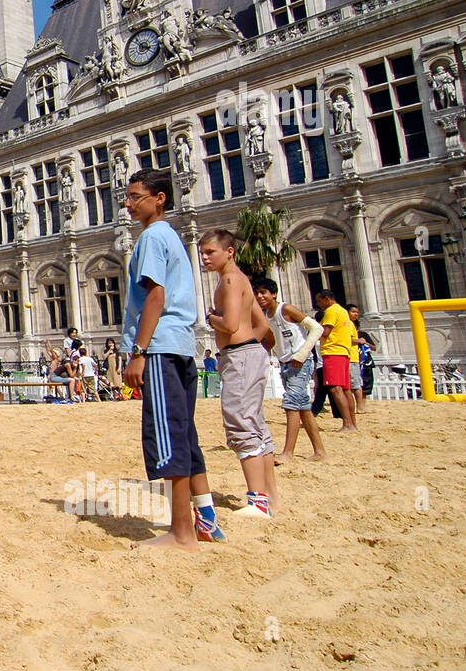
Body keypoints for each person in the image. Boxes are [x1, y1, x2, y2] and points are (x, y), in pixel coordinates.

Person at [121, 169, 224, 548]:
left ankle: (181, 532)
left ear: (159, 198)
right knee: (184, 432)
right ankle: (206, 519)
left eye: (135, 197)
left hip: (160, 346)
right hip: (181, 345)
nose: (128, 204)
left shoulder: (150, 236)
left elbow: (155, 296)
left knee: (166, 437)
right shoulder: (173, 237)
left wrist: (139, 351)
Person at [200, 230, 278, 518]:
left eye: (211, 252)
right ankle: (270, 496)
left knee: (240, 423)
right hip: (250, 353)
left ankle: (257, 500)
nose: (205, 258)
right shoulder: (242, 279)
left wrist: (211, 318)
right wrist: (252, 347)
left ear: (229, 251)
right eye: (203, 253)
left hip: (240, 356)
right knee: (256, 424)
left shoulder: (230, 279)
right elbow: (261, 325)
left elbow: (231, 324)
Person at [252, 276, 326, 463]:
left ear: (273, 294)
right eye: (258, 293)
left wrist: (301, 354)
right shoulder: (267, 315)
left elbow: (317, 329)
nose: (260, 296)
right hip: (286, 363)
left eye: (264, 292)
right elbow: (271, 341)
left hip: (300, 361)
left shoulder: (286, 309)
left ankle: (288, 453)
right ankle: (320, 451)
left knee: (291, 405)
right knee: (303, 408)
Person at [314, 289, 358, 432]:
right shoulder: (343, 311)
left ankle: (347, 423)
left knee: (335, 388)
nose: (318, 304)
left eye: (319, 301)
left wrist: (313, 329)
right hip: (344, 352)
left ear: (326, 298)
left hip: (333, 352)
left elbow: (325, 331)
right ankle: (352, 422)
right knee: (346, 389)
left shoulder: (331, 311)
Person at [345, 303, 370, 414]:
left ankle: (360, 407)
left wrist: (360, 341)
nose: (356, 314)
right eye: (353, 312)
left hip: (353, 357)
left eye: (357, 312)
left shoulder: (350, 324)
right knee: (353, 384)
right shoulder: (349, 324)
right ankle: (359, 407)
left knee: (355, 384)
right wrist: (359, 341)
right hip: (352, 356)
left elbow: (349, 339)